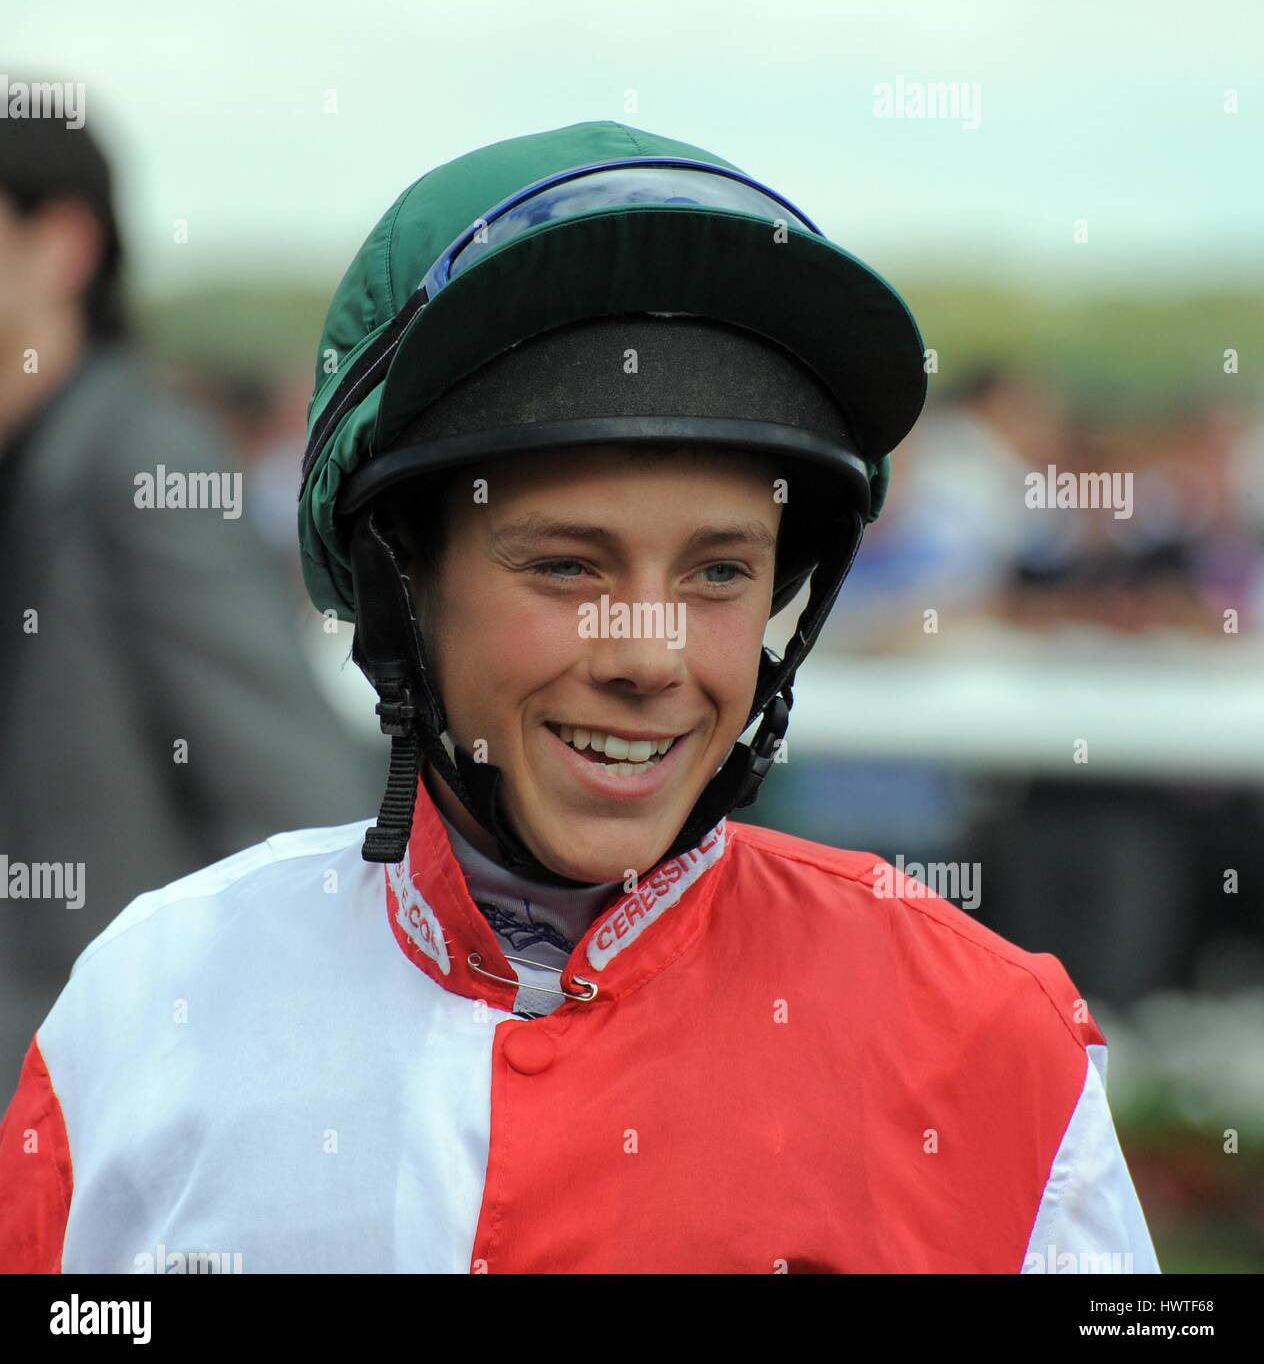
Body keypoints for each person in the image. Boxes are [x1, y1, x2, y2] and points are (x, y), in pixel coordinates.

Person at [0, 120, 1160, 1273]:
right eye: (566, 564)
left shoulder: (992, 1039)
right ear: (399, 588)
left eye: (719, 572)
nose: (650, 656)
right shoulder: (149, 994)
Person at [0, 100, 385, 1093]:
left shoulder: (137, 461)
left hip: (96, 1133)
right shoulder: (48, 455)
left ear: (63, 247)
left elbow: (300, 807)